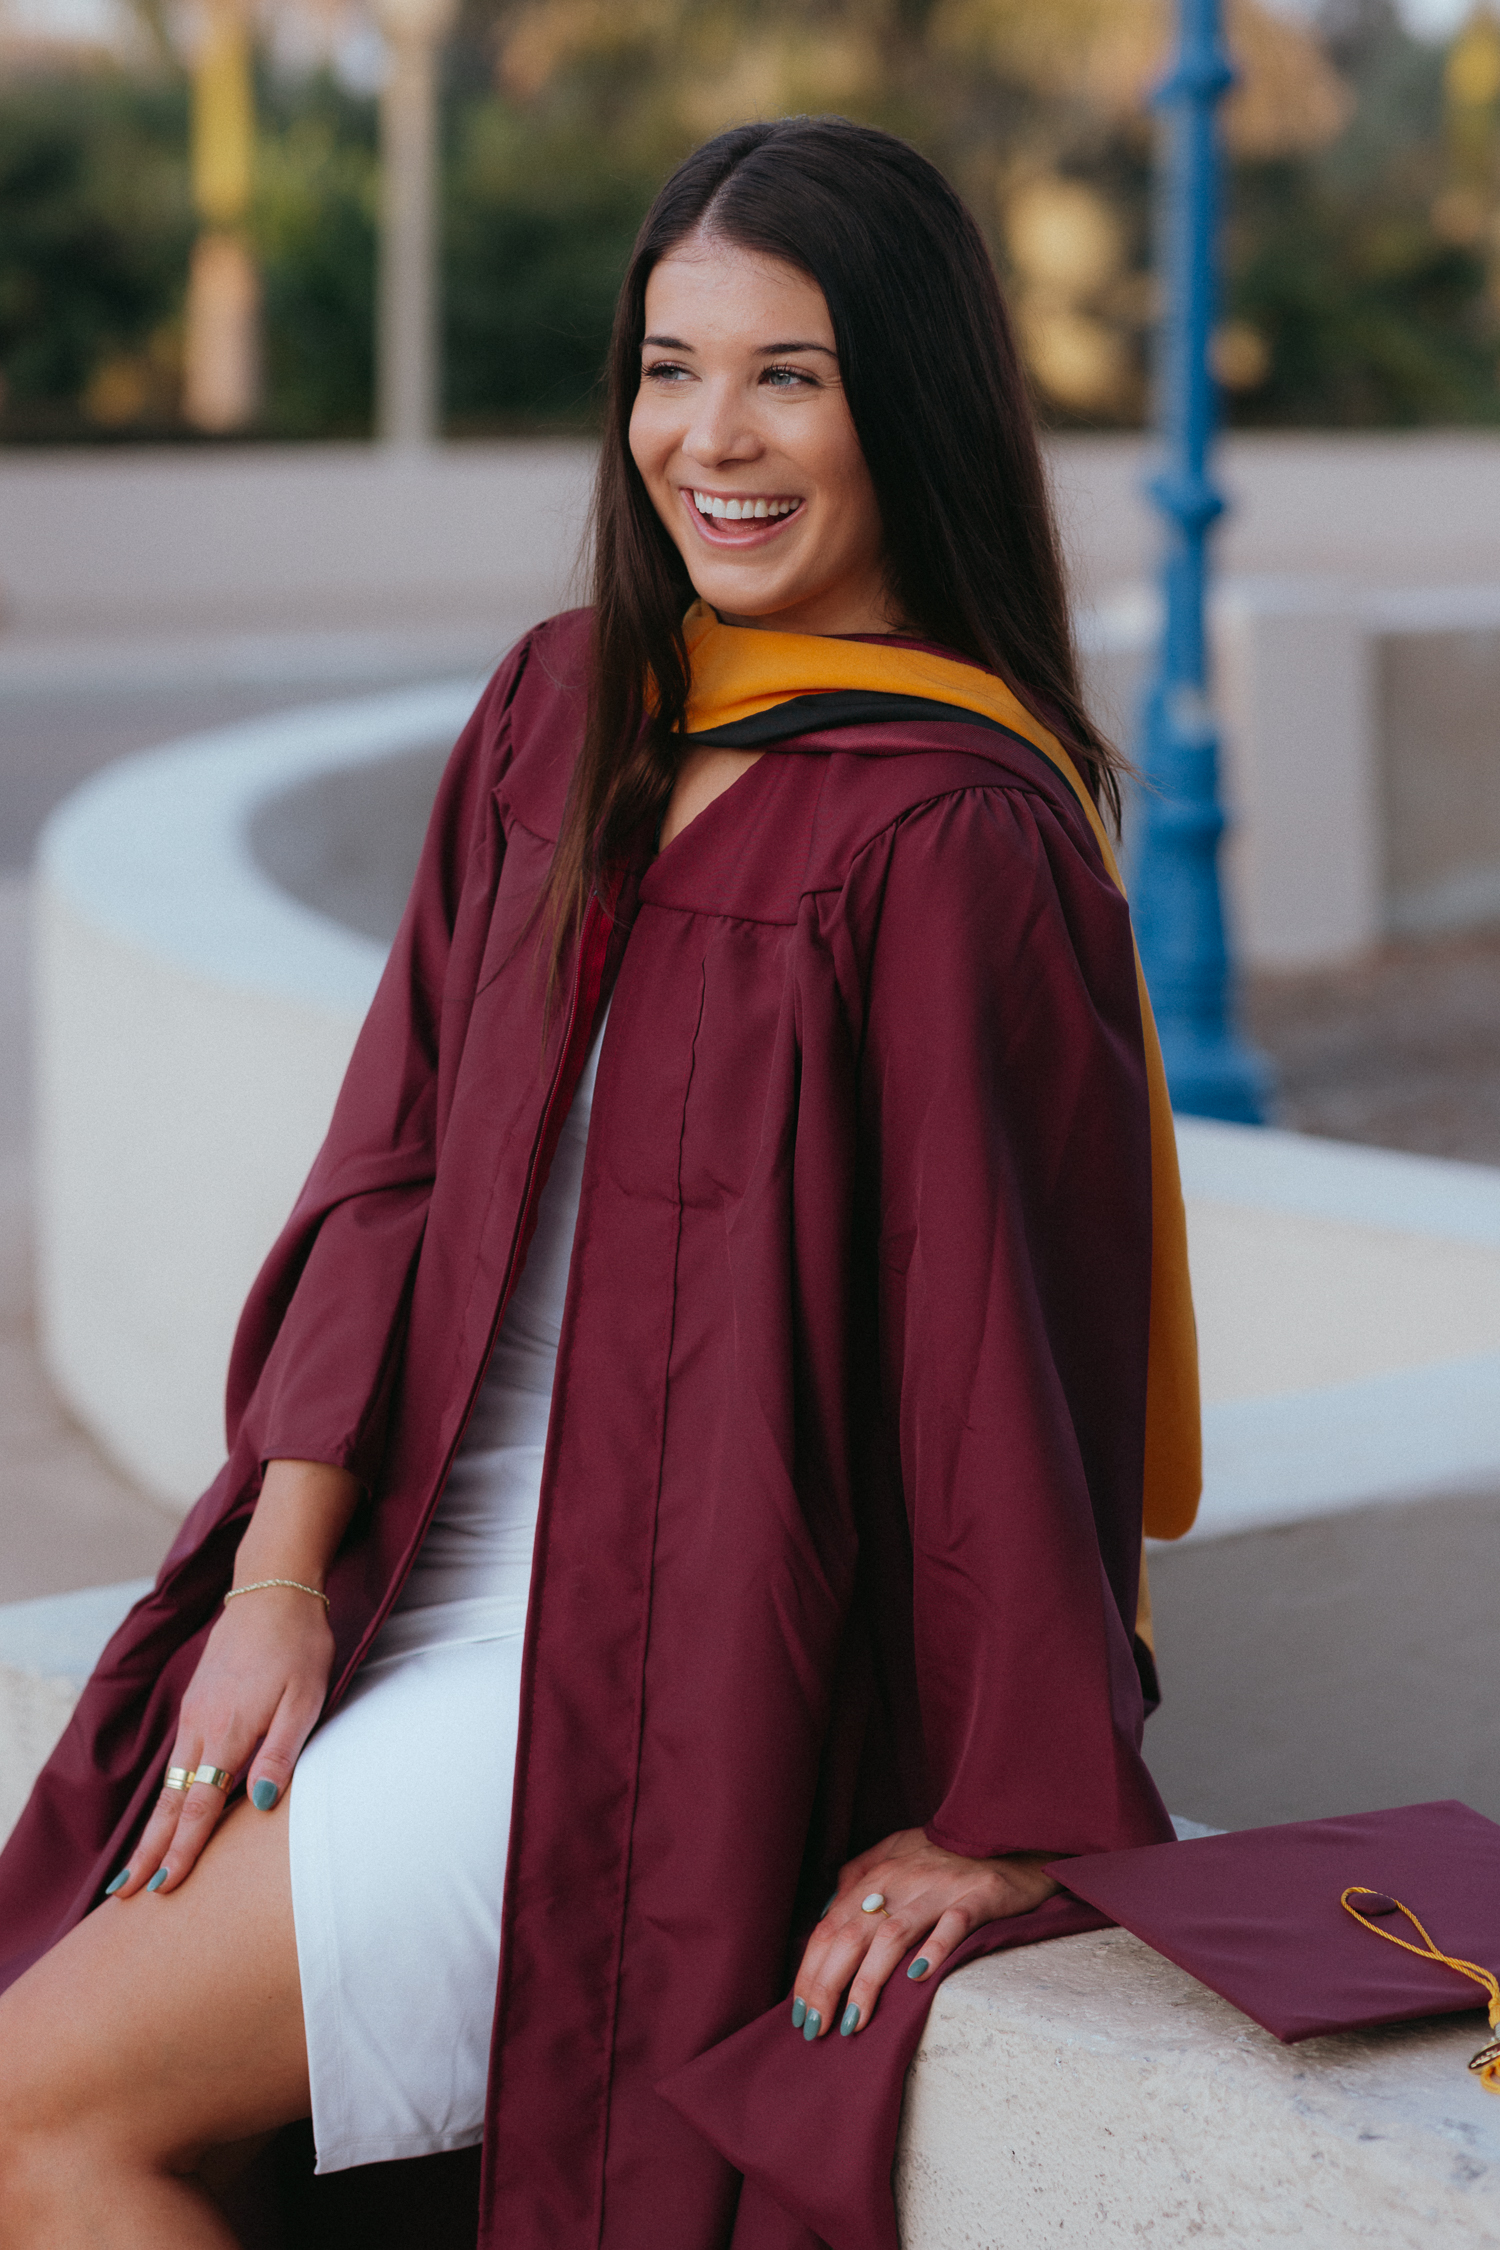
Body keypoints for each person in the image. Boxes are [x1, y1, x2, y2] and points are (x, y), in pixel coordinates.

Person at [0, 115, 1199, 2250]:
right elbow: (388, 1163)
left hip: (649, 1657)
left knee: (37, 2115)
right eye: (667, 365)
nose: (706, 439)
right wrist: (279, 1578)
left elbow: (997, 1341)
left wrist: (1014, 1814)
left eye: (787, 376)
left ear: (905, 398)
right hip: (388, 1587)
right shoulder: (570, 710)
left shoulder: (949, 836)